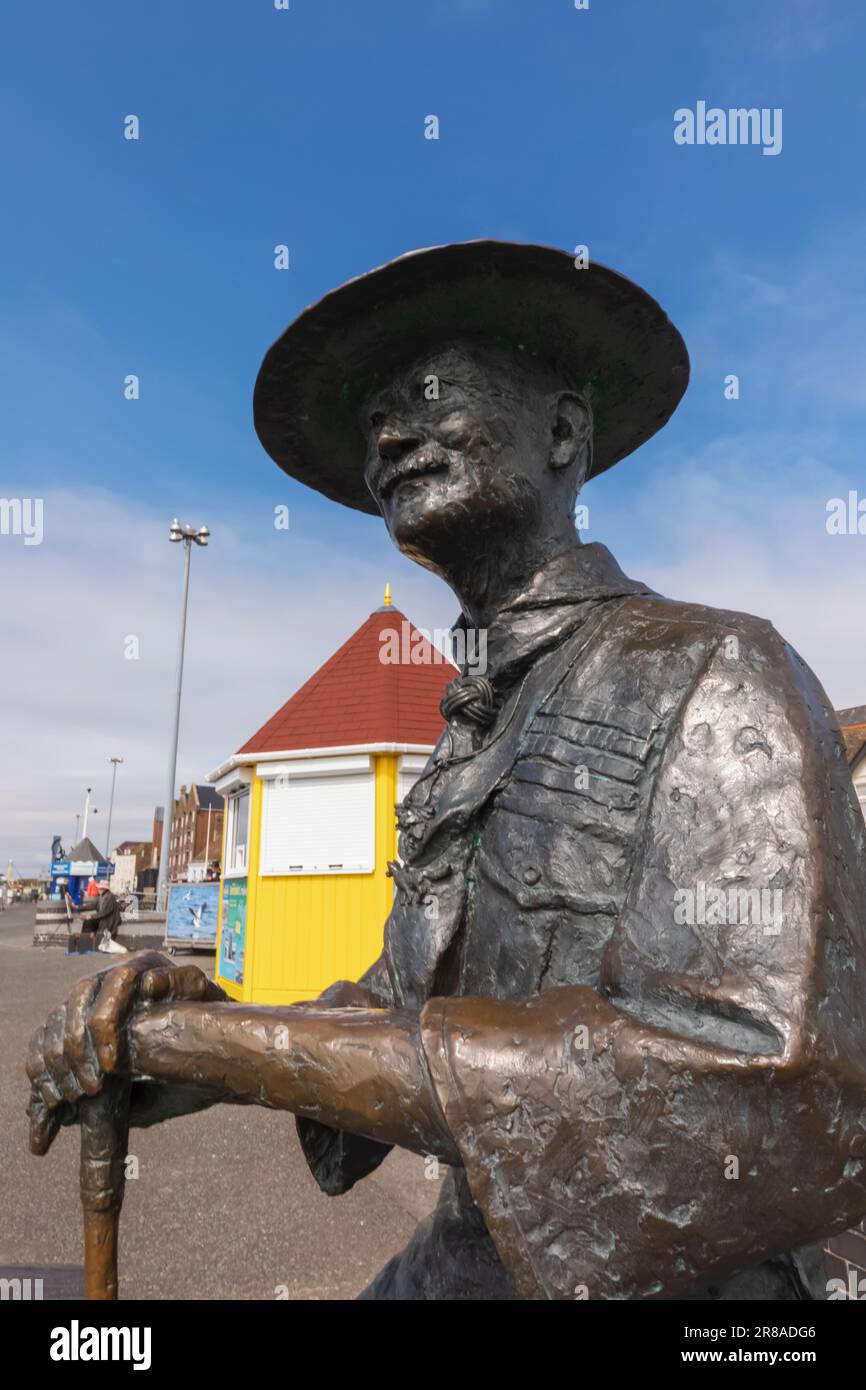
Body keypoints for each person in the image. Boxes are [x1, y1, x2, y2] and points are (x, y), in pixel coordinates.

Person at [26, 243, 866, 1300]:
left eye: (428, 393)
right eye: (375, 412)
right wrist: (176, 1036)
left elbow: (763, 1074)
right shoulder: (471, 723)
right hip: (464, 1268)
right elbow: (398, 1006)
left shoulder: (713, 670)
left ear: (563, 430)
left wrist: (221, 1045)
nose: (385, 434)